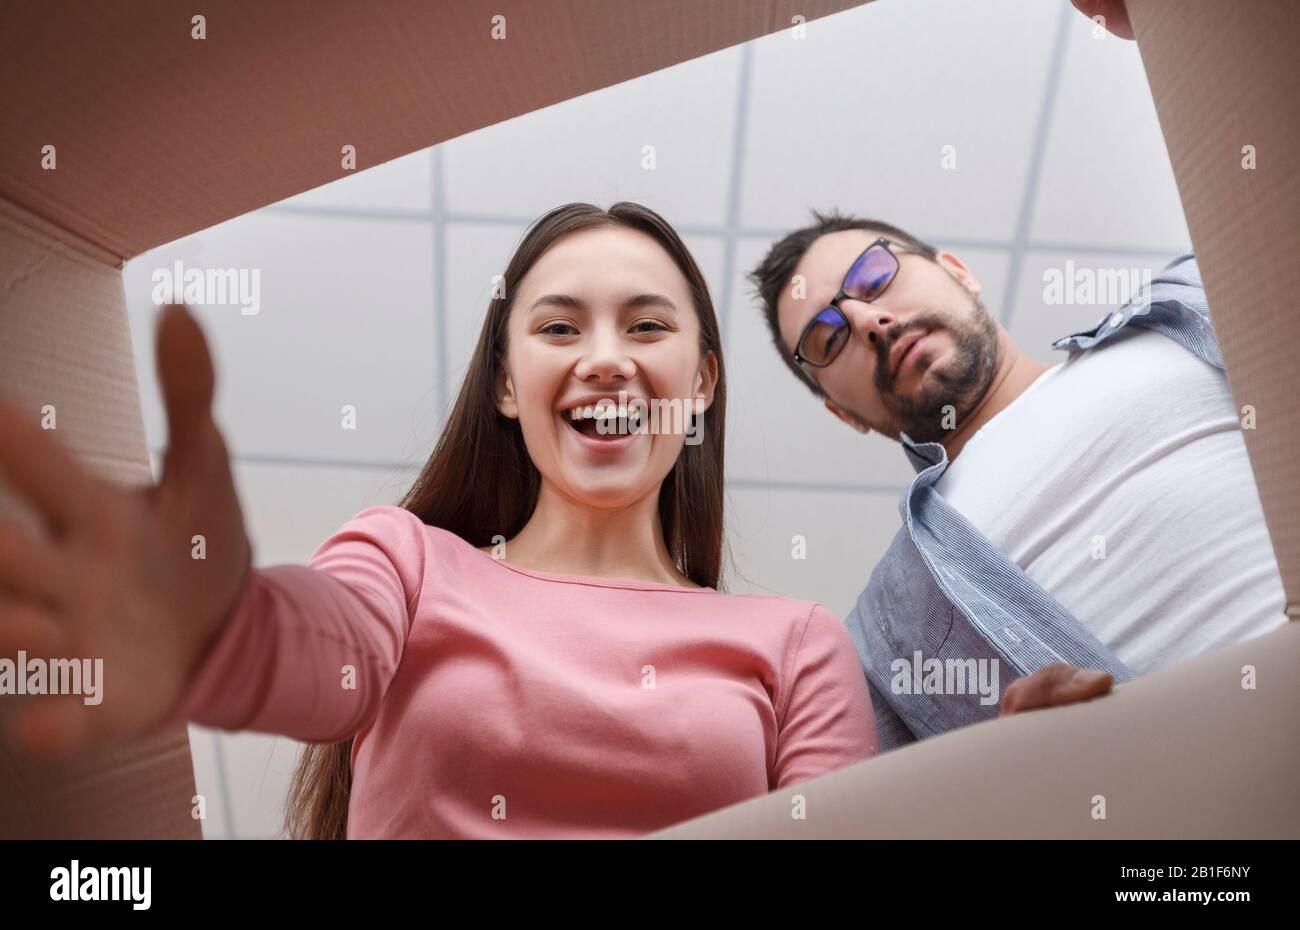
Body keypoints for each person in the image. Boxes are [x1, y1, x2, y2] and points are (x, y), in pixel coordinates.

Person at [0, 202, 882, 839]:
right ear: (505, 384)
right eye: (560, 329)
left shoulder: (797, 647)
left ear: (700, 387)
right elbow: (321, 653)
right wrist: (216, 630)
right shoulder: (408, 561)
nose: (607, 361)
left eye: (647, 327)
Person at [749, 211, 1289, 749]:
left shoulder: (1192, 301)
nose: (868, 320)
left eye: (873, 276)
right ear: (846, 416)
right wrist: (1015, 773)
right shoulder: (882, 641)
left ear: (959, 272)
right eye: (826, 338)